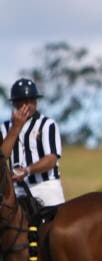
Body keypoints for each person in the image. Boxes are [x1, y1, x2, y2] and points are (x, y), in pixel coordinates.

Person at [1, 78, 66, 208]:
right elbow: (2, 156)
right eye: (24, 101)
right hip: (16, 190)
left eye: (32, 100)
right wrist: (15, 128)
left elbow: (51, 159)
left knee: (55, 225)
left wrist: (27, 170)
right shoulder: (5, 127)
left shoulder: (47, 125)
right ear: (14, 103)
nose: (29, 104)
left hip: (46, 186)